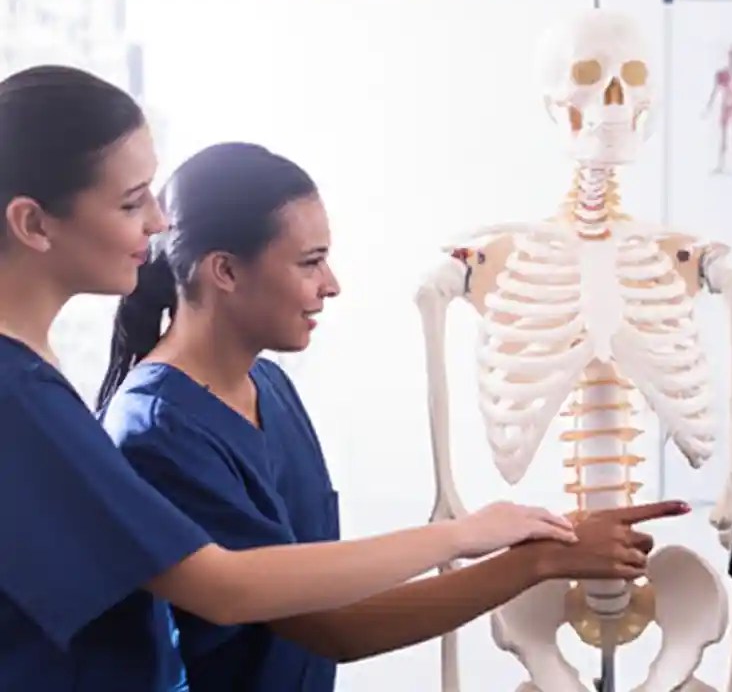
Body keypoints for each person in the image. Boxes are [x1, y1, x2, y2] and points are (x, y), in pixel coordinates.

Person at [0, 64, 606, 691]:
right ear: (35, 224)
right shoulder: (38, 400)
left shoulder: (256, 390)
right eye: (131, 202)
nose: (157, 223)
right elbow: (229, 588)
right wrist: (478, 540)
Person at [93, 140, 689, 691]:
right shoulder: (158, 431)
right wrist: (533, 559)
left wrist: (521, 540)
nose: (332, 285)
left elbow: (322, 573)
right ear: (224, 271)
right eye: (310, 262)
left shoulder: (267, 386)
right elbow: (330, 627)